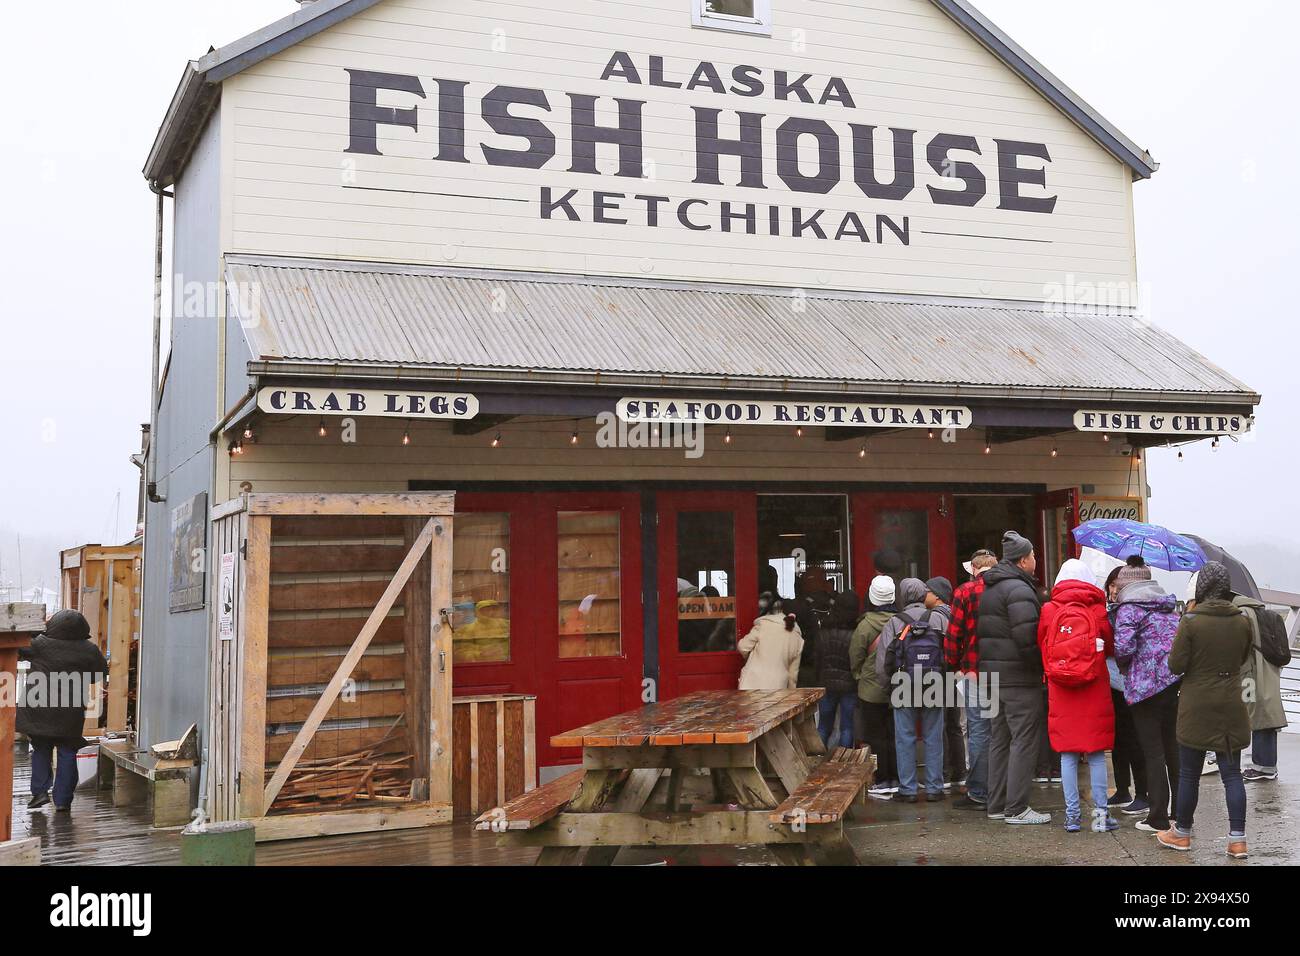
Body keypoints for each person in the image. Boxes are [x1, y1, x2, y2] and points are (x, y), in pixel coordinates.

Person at [1157, 563, 1253, 858]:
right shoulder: (1242, 621)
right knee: (1232, 774)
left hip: (1197, 703)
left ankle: (1182, 834)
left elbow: (1175, 665)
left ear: (1201, 588)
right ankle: (1237, 840)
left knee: (1189, 773)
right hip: (1230, 702)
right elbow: (1242, 657)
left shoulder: (1192, 621)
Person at [1037, 559, 1118, 832]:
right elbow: (1109, 647)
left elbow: (1043, 646)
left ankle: (1072, 817)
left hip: (1061, 687)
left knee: (1067, 753)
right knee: (1095, 753)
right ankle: (1099, 818)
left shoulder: (1049, 609)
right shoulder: (1097, 609)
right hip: (1094, 685)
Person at [979, 531, 1052, 825]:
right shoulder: (1019, 590)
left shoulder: (991, 588)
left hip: (993, 678)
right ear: (1024, 560)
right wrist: (1040, 666)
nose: (1036, 560)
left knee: (999, 739)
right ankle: (1017, 808)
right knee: (1024, 740)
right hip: (1018, 679)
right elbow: (1026, 638)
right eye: (1033, 555)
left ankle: (996, 805)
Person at [1112, 557, 1182, 834]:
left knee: (1152, 752)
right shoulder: (1168, 607)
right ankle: (1180, 812)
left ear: (1129, 585)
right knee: (1173, 750)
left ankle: (1157, 817)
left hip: (1144, 688)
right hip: (1172, 684)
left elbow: (1123, 648)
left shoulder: (1129, 610)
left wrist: (1125, 667)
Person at [17, 610, 108, 812]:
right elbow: (98, 674)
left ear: (53, 625)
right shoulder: (89, 649)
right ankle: (63, 801)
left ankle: (40, 792)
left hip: (37, 707)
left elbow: (17, 650)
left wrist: (36, 630)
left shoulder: (39, 643)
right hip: (70, 710)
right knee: (67, 751)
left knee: (41, 748)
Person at [877, 578, 949, 803]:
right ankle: (934, 787)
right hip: (934, 683)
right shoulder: (938, 618)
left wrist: (887, 685)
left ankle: (908, 790)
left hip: (903, 684)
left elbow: (882, 662)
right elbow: (951, 652)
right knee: (933, 736)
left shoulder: (895, 622)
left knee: (905, 737)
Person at [946, 548, 997, 810]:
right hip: (1005, 670)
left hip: (975, 670)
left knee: (978, 730)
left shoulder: (965, 592)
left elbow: (953, 635)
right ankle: (1001, 788)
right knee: (1002, 731)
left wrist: (953, 663)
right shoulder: (1009, 588)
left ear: (974, 569)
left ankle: (979, 790)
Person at [1102, 564, 1149, 814]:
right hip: (1111, 682)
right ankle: (1122, 789)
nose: (1113, 589)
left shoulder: (1130, 611)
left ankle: (1143, 792)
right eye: (1110, 584)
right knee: (1118, 738)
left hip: (1132, 682)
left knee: (1135, 740)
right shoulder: (1107, 611)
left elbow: (1126, 646)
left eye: (1116, 585)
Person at [1231, 591, 1292, 782]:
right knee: (1266, 714)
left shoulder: (1242, 613)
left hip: (1250, 674)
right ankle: (1267, 765)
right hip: (1269, 670)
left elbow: (1241, 645)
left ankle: (1263, 767)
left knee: (1252, 715)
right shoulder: (1260, 611)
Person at [850, 575, 899, 797]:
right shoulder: (902, 621)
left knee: (876, 736)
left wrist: (860, 675)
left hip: (870, 689)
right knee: (896, 733)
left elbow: (855, 656)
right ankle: (899, 777)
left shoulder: (864, 625)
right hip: (898, 686)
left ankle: (881, 779)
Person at [926, 576, 964, 790]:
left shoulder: (933, 618)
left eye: (928, 591)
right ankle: (959, 771)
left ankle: (943, 771)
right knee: (954, 724)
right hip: (955, 674)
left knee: (938, 725)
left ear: (937, 596)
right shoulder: (954, 614)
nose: (925, 595)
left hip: (939, 675)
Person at [815, 590, 861, 749]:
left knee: (823, 727)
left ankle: (818, 759)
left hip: (826, 684)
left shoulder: (823, 630)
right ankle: (845, 763)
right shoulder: (856, 632)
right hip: (849, 685)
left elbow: (817, 659)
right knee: (847, 727)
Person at [738, 593, 804, 690]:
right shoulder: (799, 640)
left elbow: (742, 647)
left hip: (752, 684)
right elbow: (792, 676)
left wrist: (750, 657)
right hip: (778, 688)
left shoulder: (764, 624)